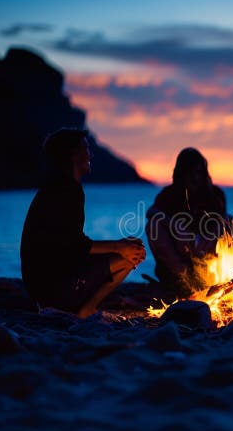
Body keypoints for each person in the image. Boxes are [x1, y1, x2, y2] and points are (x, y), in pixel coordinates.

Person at [20, 129, 146, 318]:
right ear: (73, 154)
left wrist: (121, 245)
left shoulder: (57, 187)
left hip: (42, 285)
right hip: (53, 288)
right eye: (86, 148)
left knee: (130, 247)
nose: (90, 154)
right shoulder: (67, 189)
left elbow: (68, 244)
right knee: (131, 255)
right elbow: (75, 244)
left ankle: (79, 304)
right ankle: (86, 310)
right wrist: (120, 247)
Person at [146, 148, 232, 294]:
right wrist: (174, 225)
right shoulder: (169, 194)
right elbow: (151, 212)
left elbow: (225, 220)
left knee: (230, 225)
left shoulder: (215, 195)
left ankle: (208, 278)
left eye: (198, 172)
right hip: (177, 263)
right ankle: (184, 278)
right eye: (189, 172)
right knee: (154, 226)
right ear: (181, 173)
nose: (194, 177)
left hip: (206, 257)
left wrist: (212, 234)